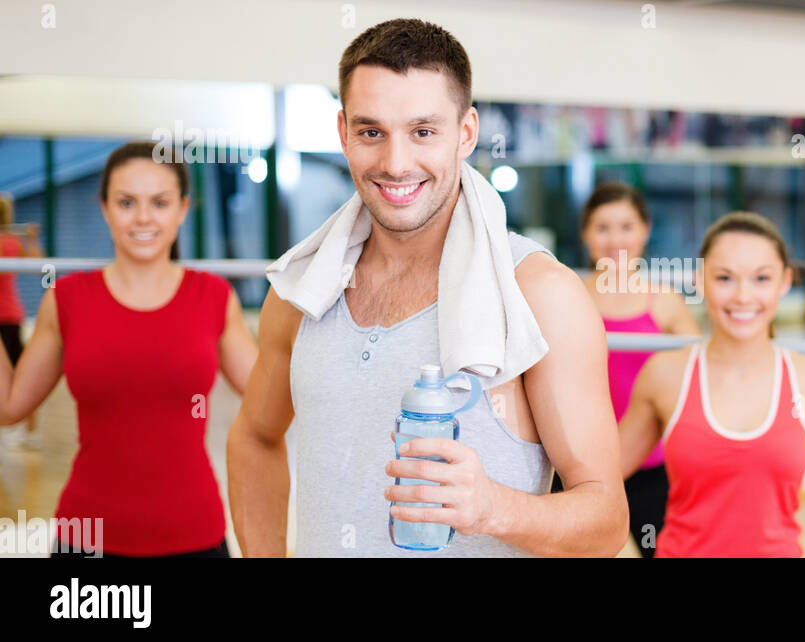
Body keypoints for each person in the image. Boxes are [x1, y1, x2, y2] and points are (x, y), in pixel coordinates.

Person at [226, 18, 627, 558]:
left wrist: (492, 508)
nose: (395, 163)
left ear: (466, 133)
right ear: (343, 131)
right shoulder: (303, 289)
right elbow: (254, 438)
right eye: (372, 132)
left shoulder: (538, 294)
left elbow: (605, 522)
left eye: (423, 131)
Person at [0, 141, 257, 557]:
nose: (142, 217)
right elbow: (9, 407)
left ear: (182, 209)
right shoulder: (67, 299)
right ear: (104, 208)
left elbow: (275, 402)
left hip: (194, 533)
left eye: (159, 202)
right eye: (126, 202)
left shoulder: (212, 296)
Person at [618, 211, 805, 558]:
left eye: (761, 279)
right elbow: (604, 475)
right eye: (725, 278)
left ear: (784, 282)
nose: (743, 297)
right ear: (700, 281)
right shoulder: (666, 374)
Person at [561, 182, 701, 557]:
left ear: (645, 230)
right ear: (586, 233)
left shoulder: (666, 302)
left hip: (651, 466)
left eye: (626, 227)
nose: (614, 240)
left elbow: (705, 373)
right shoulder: (567, 296)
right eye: (602, 228)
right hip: (579, 467)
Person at [0, 194, 41, 448]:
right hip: (12, 318)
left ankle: (31, 433)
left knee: (22, 376)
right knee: (23, 377)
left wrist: (30, 237)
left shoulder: (12, 241)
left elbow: (39, 265)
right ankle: (32, 432)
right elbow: (39, 262)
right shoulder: (13, 242)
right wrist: (32, 239)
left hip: (9, 317)